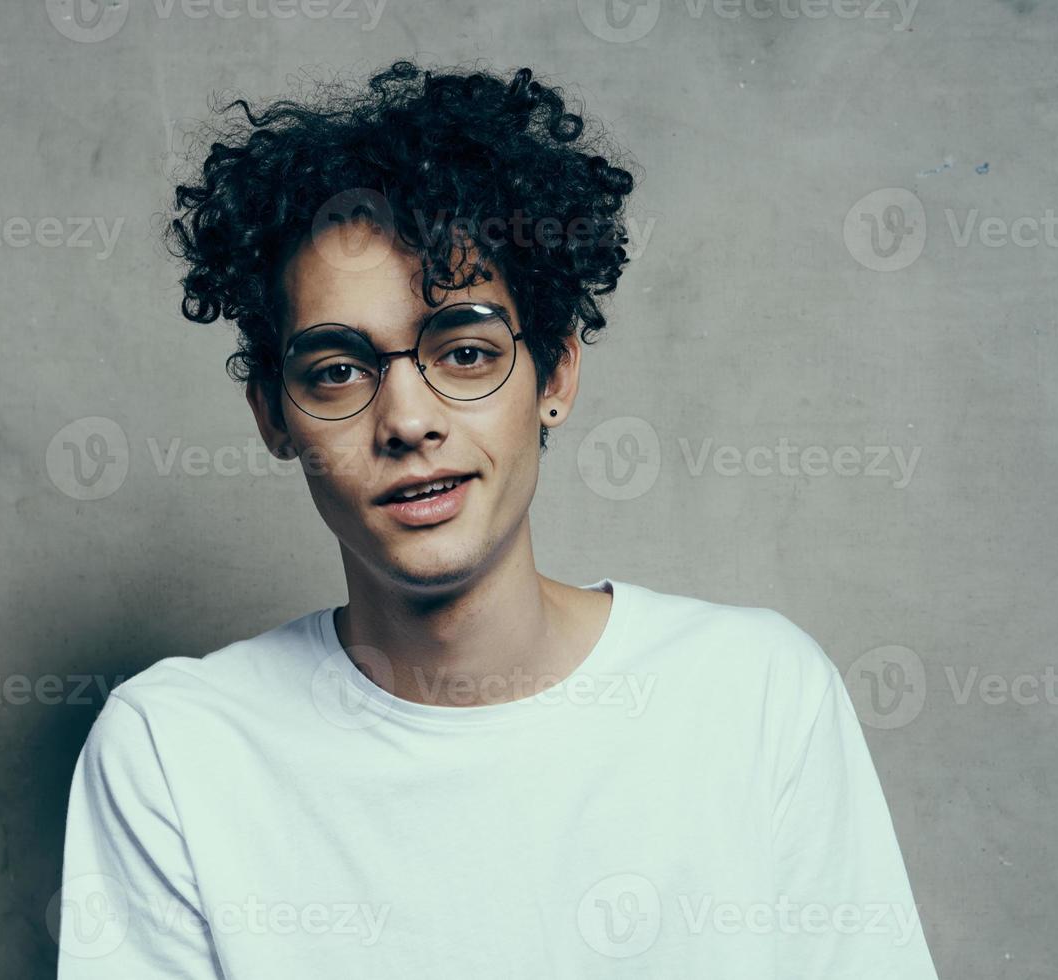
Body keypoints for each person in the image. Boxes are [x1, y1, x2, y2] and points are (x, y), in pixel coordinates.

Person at [55, 60, 940, 978]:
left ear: (554, 375)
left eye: (467, 352)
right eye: (336, 370)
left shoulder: (755, 695)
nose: (407, 420)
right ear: (274, 417)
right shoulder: (177, 751)